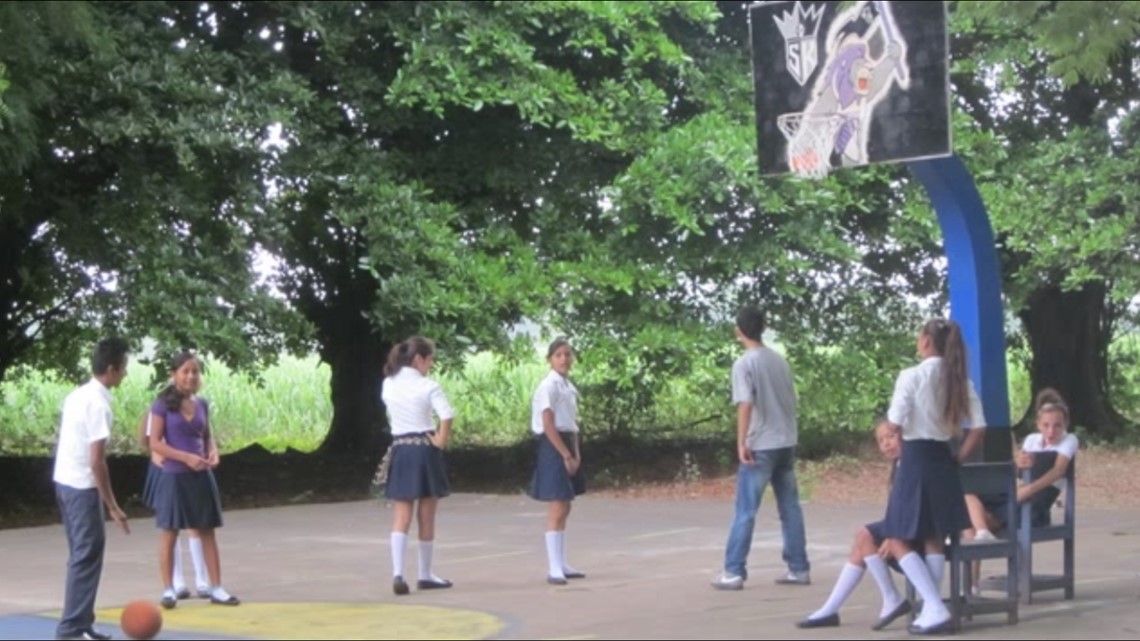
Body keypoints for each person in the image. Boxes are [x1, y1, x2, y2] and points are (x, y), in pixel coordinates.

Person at [879, 318, 987, 635]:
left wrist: (889, 431)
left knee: (897, 534)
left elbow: (895, 422)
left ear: (927, 341)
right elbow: (978, 427)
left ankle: (935, 607)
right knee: (934, 537)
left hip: (915, 459)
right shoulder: (960, 381)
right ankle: (930, 608)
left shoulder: (911, 376)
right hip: (943, 458)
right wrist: (959, 456)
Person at [712, 306, 810, 591]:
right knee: (790, 507)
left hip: (761, 443)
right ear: (763, 328)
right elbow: (791, 401)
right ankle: (798, 567)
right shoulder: (780, 361)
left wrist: (742, 441)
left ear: (738, 331)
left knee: (746, 509)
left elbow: (746, 403)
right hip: (785, 440)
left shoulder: (744, 364)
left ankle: (733, 570)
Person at [796, 419, 914, 630]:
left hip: (914, 532)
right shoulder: (898, 465)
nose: (886, 444)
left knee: (863, 536)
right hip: (901, 526)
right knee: (861, 541)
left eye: (891, 436)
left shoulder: (912, 466)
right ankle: (831, 609)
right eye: (881, 440)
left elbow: (913, 508)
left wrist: (894, 534)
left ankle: (890, 597)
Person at [53, 337, 131, 641]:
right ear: (111, 369)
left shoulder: (78, 395)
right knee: (86, 557)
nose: (125, 374)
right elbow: (97, 461)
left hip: (64, 482)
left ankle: (82, 623)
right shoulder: (98, 405)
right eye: (124, 368)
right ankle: (71, 629)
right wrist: (111, 505)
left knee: (81, 555)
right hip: (82, 488)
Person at [147, 352, 239, 609]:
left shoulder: (203, 404)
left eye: (195, 371)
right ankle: (168, 589)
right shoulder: (162, 405)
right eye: (185, 371)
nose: (190, 376)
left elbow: (207, 435)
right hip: (174, 476)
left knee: (207, 530)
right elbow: (155, 443)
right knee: (169, 531)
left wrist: (213, 451)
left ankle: (216, 587)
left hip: (201, 475)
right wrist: (185, 457)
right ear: (174, 374)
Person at [963, 387, 1077, 593]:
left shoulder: (1069, 441)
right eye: (1046, 425)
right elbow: (1016, 473)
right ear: (1038, 424)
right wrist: (1018, 464)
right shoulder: (1032, 440)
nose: (1051, 431)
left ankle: (973, 578)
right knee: (968, 493)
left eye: (1057, 426)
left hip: (1035, 503)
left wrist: (1029, 490)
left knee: (971, 523)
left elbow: (1059, 470)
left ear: (1065, 425)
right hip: (1015, 494)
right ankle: (974, 575)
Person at [378, 336, 454, 596]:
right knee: (427, 515)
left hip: (401, 448)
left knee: (401, 515)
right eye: (430, 360)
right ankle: (425, 574)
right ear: (419, 359)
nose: (430, 366)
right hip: (425, 447)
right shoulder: (428, 385)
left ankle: (398, 572)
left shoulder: (388, 384)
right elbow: (447, 414)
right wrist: (441, 440)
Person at [529, 337, 586, 586]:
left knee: (566, 505)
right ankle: (554, 568)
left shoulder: (567, 386)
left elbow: (571, 423)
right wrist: (564, 454)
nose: (564, 359)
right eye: (559, 355)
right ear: (550, 359)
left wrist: (576, 453)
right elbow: (548, 424)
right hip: (554, 445)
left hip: (568, 440)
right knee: (556, 505)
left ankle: (562, 561)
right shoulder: (548, 387)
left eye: (567, 354)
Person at [138, 411, 210, 601]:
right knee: (172, 525)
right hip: (168, 472)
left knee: (196, 525)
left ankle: (202, 581)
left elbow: (204, 438)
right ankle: (177, 582)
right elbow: (152, 446)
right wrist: (165, 464)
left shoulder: (193, 410)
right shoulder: (158, 412)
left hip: (190, 470)